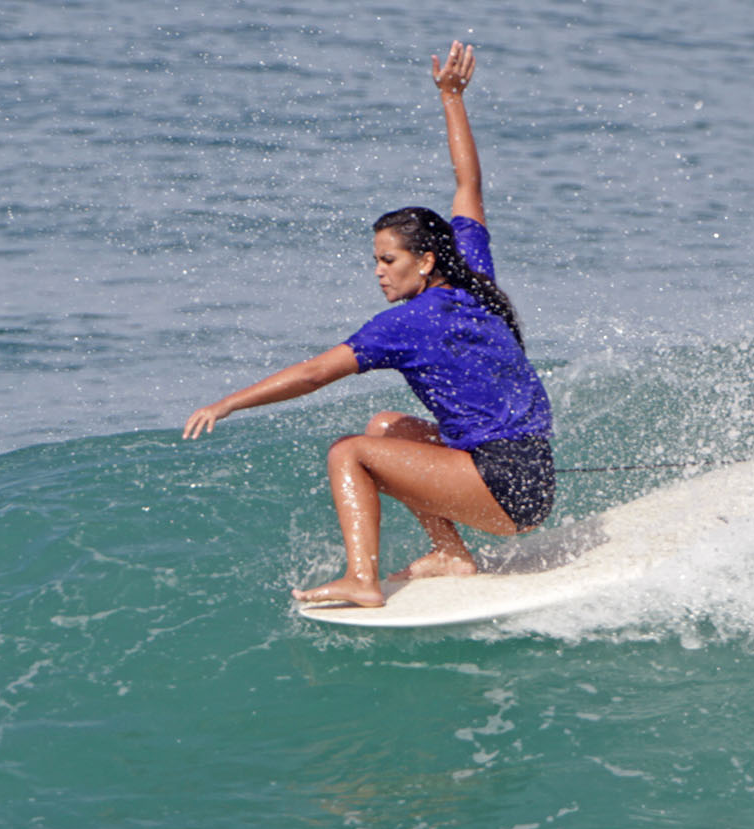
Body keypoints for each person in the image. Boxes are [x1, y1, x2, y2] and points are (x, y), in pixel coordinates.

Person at [182, 41, 554, 607]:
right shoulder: (474, 274)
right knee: (385, 426)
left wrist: (228, 403)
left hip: (501, 488)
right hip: (534, 475)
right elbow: (469, 186)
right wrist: (452, 98)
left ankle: (362, 580)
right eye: (376, 261)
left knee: (349, 451)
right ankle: (451, 554)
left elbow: (313, 375)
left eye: (389, 261)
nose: (379, 273)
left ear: (424, 262)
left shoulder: (408, 323)